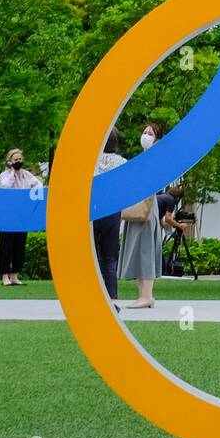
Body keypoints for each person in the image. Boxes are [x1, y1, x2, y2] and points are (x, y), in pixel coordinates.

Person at [119, 122, 165, 307]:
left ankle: (146, 296)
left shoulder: (157, 158)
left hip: (147, 208)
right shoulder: (144, 158)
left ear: (158, 139)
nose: (145, 136)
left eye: (150, 133)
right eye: (144, 132)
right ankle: (145, 296)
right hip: (139, 209)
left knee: (145, 250)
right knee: (139, 250)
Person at [93, 127, 128, 306]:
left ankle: (94, 295)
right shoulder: (122, 163)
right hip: (112, 212)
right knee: (110, 256)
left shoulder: (89, 162)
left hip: (93, 210)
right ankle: (112, 297)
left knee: (92, 255)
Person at [0, 148, 41, 286]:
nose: (18, 162)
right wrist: (11, 172)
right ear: (10, 161)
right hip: (6, 216)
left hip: (22, 216)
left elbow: (38, 184)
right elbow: (5, 186)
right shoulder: (4, 175)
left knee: (19, 246)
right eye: (16, 160)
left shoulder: (26, 175)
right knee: (5, 246)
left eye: (20, 159)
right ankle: (5, 276)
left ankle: (15, 275)